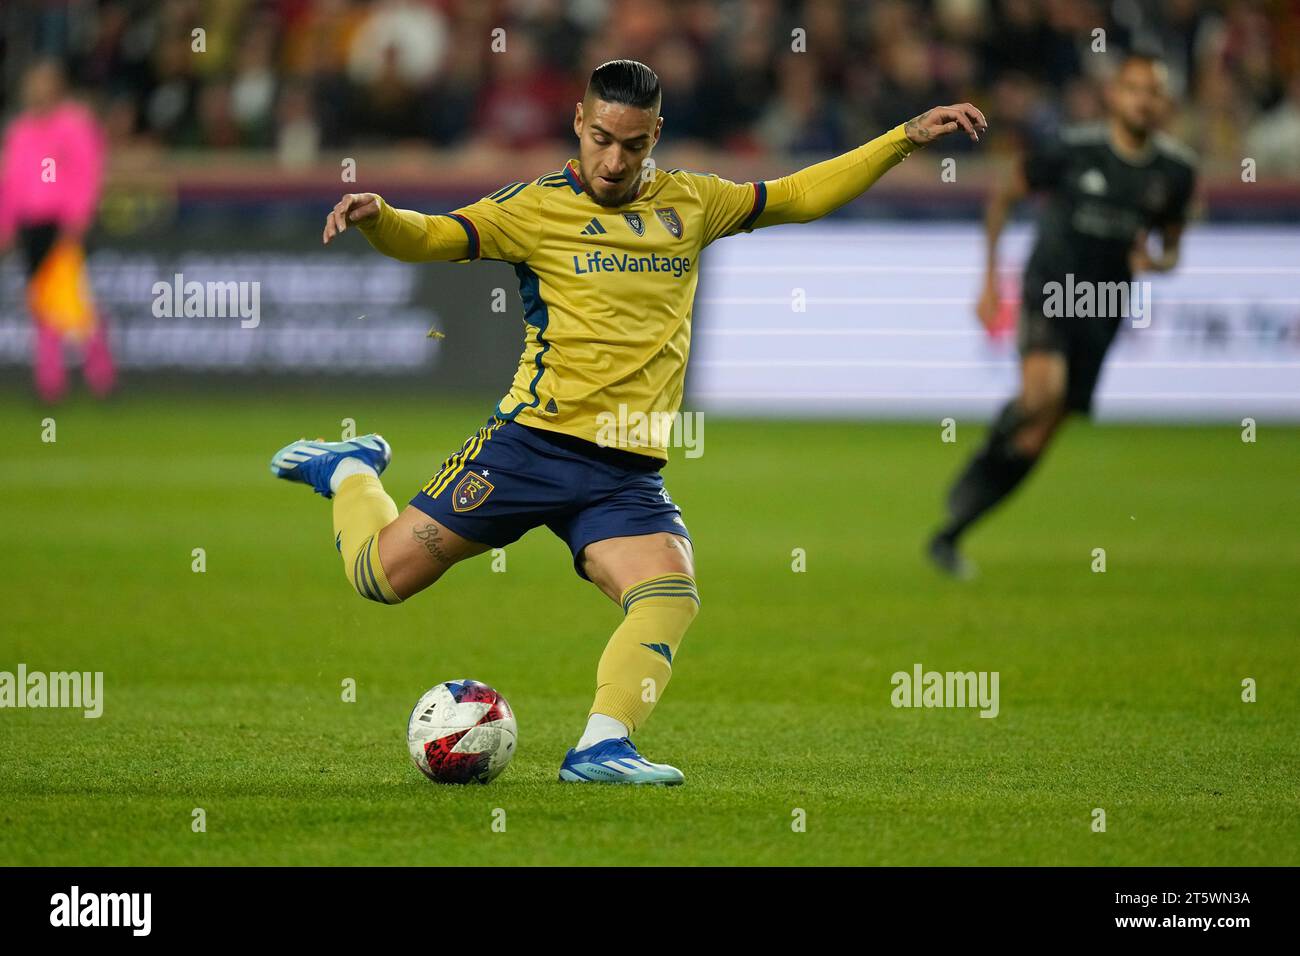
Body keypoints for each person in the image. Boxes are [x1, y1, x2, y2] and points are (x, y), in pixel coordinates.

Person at [273, 59, 985, 784]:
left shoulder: (694, 202)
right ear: (579, 125)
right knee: (378, 578)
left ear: (656, 137)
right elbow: (433, 237)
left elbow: (800, 195)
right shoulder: (533, 207)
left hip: (623, 471)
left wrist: (904, 136)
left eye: (634, 144)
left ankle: (601, 747)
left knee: (670, 593)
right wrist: (381, 218)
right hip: (529, 448)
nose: (614, 160)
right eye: (602, 139)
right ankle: (352, 468)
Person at [928, 53, 1196, 578]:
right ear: (1115, 96)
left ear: (1164, 104)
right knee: (1043, 391)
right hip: (1051, 290)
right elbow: (1004, 197)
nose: (1144, 100)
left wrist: (1154, 260)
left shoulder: (1175, 172)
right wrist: (988, 280)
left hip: (1103, 309)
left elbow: (1172, 250)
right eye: (1134, 89)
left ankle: (950, 533)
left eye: (1154, 92)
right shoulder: (1073, 150)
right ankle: (987, 451)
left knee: (1038, 436)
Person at [0, 58, 113, 403]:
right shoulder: (20, 131)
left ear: (57, 86)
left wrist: (77, 221)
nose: (36, 90)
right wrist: (6, 228)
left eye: (43, 83)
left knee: (72, 304)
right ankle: (52, 383)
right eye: (33, 83)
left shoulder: (74, 125)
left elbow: (87, 174)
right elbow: (10, 184)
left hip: (62, 226)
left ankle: (101, 377)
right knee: (43, 305)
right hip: (31, 226)